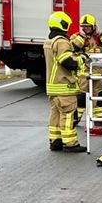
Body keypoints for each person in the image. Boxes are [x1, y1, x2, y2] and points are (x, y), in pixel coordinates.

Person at [43, 11, 87, 152]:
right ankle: (70, 143)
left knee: (55, 114)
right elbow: (68, 62)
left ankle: (55, 141)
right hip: (64, 86)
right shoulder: (61, 42)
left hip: (53, 87)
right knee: (68, 114)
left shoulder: (49, 42)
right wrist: (82, 59)